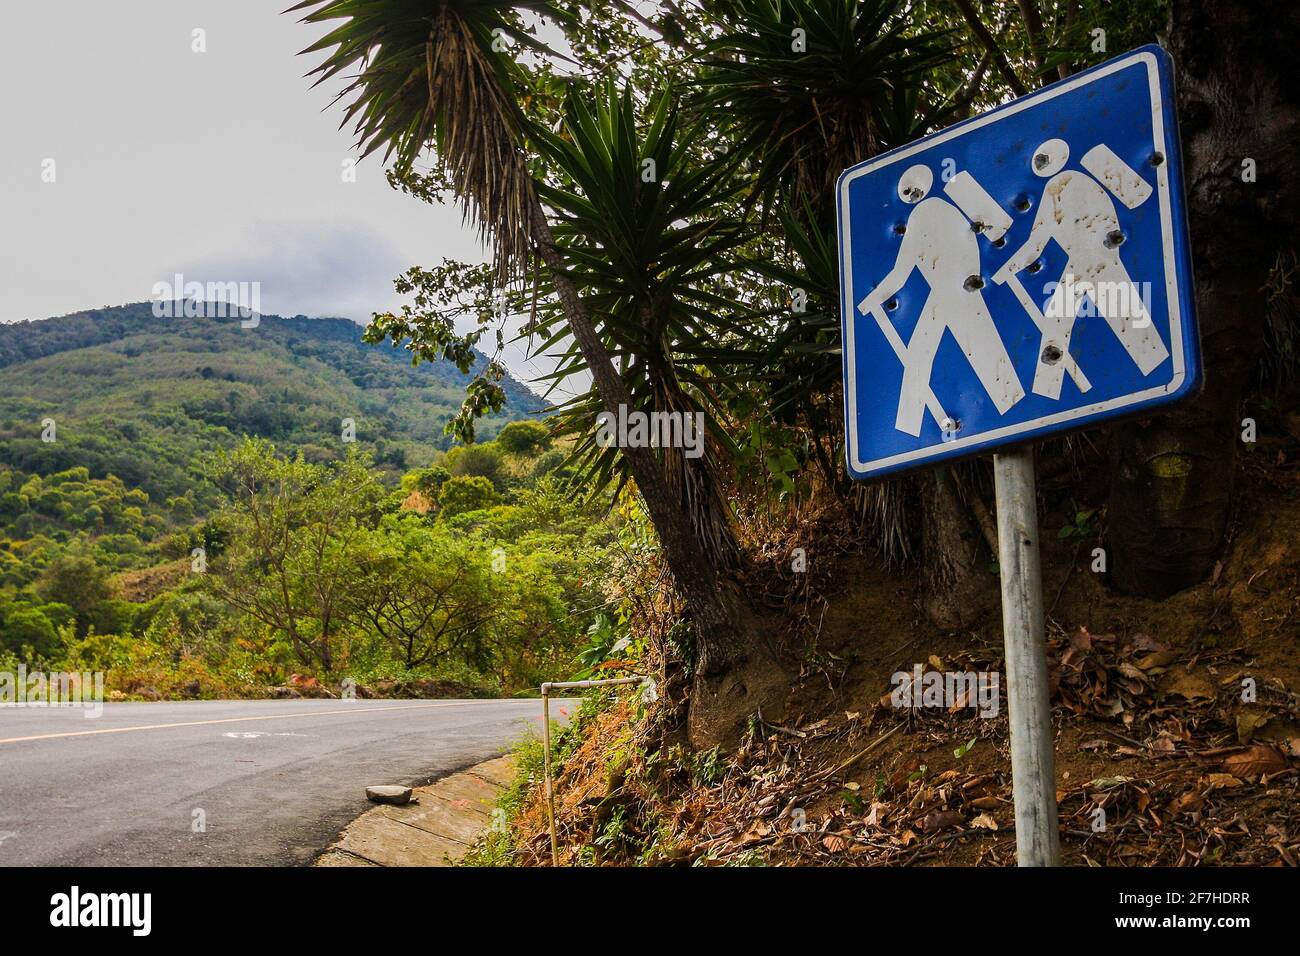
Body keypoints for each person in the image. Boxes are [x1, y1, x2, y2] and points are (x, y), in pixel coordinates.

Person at [992, 139, 1169, 400]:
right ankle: (1049, 392)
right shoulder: (1069, 184)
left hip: (1094, 258)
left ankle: (1048, 393)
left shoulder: (1062, 187)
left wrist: (1004, 272)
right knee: (1076, 317)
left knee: (1099, 315)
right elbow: (1038, 242)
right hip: (1093, 257)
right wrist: (1005, 272)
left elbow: (1037, 243)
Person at [857, 164, 1023, 437]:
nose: (908, 196)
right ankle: (910, 427)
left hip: (950, 290)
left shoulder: (923, 215)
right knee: (941, 348)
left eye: (909, 191)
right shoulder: (945, 208)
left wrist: (870, 301)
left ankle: (909, 429)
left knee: (946, 348)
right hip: (960, 286)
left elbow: (901, 272)